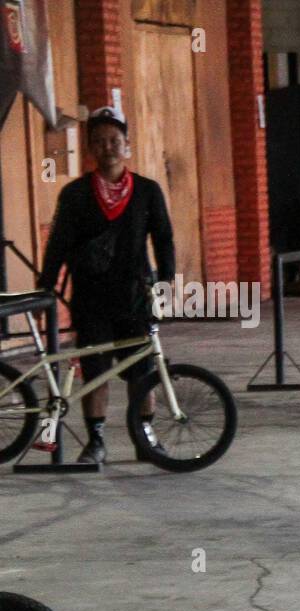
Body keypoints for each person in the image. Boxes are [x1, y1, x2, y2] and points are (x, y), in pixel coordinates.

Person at [36, 106, 170, 465]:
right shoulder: (75, 194)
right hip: (91, 298)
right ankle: (95, 441)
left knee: (141, 372)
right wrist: (45, 286)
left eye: (114, 140)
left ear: (127, 145)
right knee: (94, 371)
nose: (107, 147)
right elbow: (59, 244)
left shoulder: (147, 191)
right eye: (99, 142)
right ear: (90, 148)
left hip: (135, 296)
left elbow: (164, 239)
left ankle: (146, 437)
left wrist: (166, 283)